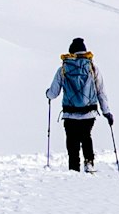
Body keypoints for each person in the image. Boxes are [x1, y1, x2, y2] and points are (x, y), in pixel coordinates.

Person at [46, 38, 111, 172]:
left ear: (71, 52)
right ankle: (89, 162)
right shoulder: (93, 68)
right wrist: (106, 112)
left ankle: (74, 169)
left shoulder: (63, 69)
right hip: (89, 112)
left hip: (70, 113)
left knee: (72, 141)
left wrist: (48, 94)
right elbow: (101, 91)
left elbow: (53, 94)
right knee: (86, 136)